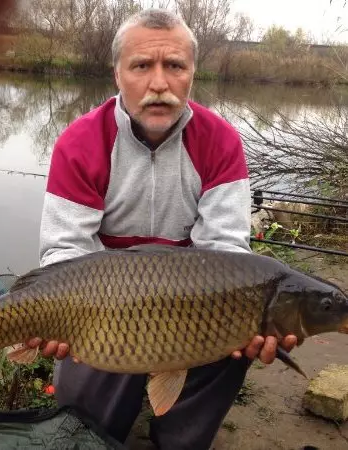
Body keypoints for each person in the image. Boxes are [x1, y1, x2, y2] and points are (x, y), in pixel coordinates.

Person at [29, 8, 297, 450]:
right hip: (100, 307)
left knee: (232, 333)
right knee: (86, 428)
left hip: (194, 301)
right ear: (117, 73)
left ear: (192, 73)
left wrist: (245, 322)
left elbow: (226, 256)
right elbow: (63, 252)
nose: (159, 83)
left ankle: (178, 440)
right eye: (141, 66)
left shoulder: (220, 141)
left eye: (174, 66)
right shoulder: (80, 143)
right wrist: (61, 318)